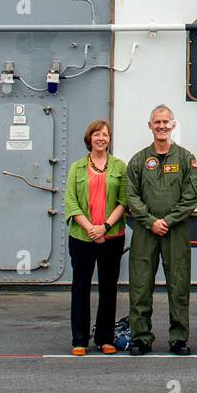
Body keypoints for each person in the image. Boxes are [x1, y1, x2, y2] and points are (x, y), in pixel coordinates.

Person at [125, 105, 197, 355]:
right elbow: (131, 196)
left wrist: (168, 220)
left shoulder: (185, 159)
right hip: (145, 231)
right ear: (150, 126)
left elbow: (192, 196)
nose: (161, 126)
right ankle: (141, 337)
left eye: (165, 122)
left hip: (176, 231)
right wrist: (150, 221)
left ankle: (178, 338)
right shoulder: (138, 160)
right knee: (140, 284)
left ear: (173, 125)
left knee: (178, 284)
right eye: (157, 122)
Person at [63, 119, 128, 356]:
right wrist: (91, 228)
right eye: (96, 135)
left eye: (105, 135)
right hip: (82, 236)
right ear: (89, 139)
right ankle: (79, 339)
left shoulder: (120, 167)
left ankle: (104, 338)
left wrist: (105, 227)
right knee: (81, 287)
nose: (101, 138)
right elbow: (70, 202)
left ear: (109, 139)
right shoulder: (77, 168)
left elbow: (124, 201)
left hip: (112, 237)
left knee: (108, 288)